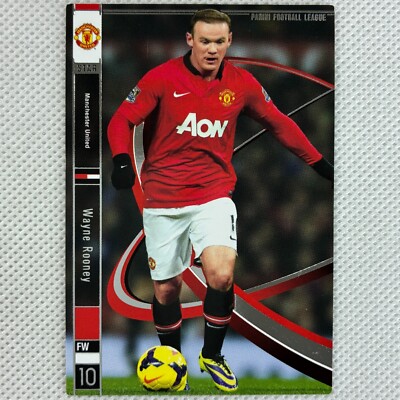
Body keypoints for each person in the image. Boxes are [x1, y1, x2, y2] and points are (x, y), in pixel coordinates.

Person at [107, 9, 333, 392]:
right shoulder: (161, 79)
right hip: (163, 199)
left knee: (222, 274)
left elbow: (278, 121)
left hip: (213, 194)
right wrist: (121, 161)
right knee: (166, 289)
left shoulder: (241, 83)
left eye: (219, 42)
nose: (212, 49)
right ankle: (173, 362)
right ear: (190, 40)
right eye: (205, 41)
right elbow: (121, 119)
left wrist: (320, 164)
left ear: (229, 42)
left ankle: (212, 354)